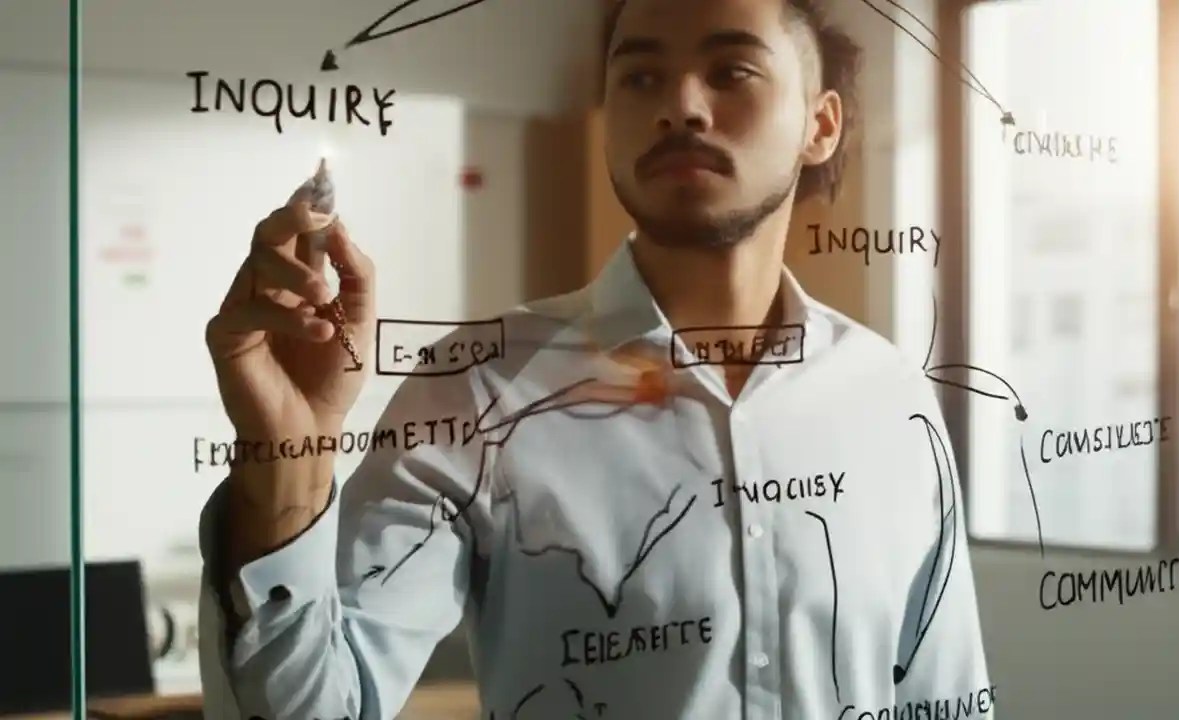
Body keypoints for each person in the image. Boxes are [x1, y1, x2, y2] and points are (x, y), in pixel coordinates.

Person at [197, 0, 993, 717]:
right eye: (641, 76)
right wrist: (286, 458)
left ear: (821, 125)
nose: (680, 107)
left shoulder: (892, 401)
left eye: (731, 71)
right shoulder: (479, 391)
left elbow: (946, 696)